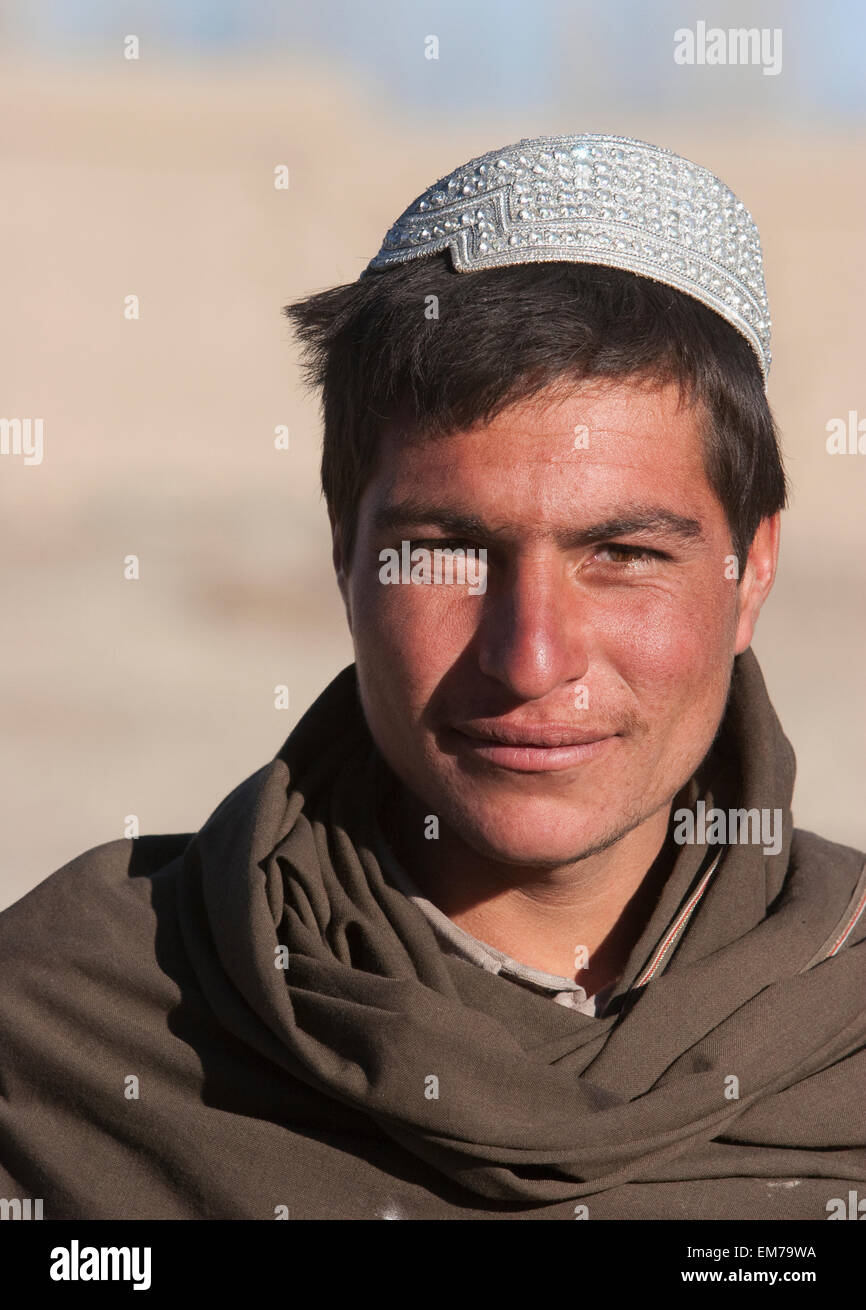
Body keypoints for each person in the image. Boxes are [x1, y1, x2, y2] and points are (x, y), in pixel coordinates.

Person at [1, 134, 863, 1222]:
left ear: (751, 574)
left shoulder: (842, 1035)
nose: (530, 657)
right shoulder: (84, 1015)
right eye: (450, 553)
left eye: (624, 554)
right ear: (342, 554)